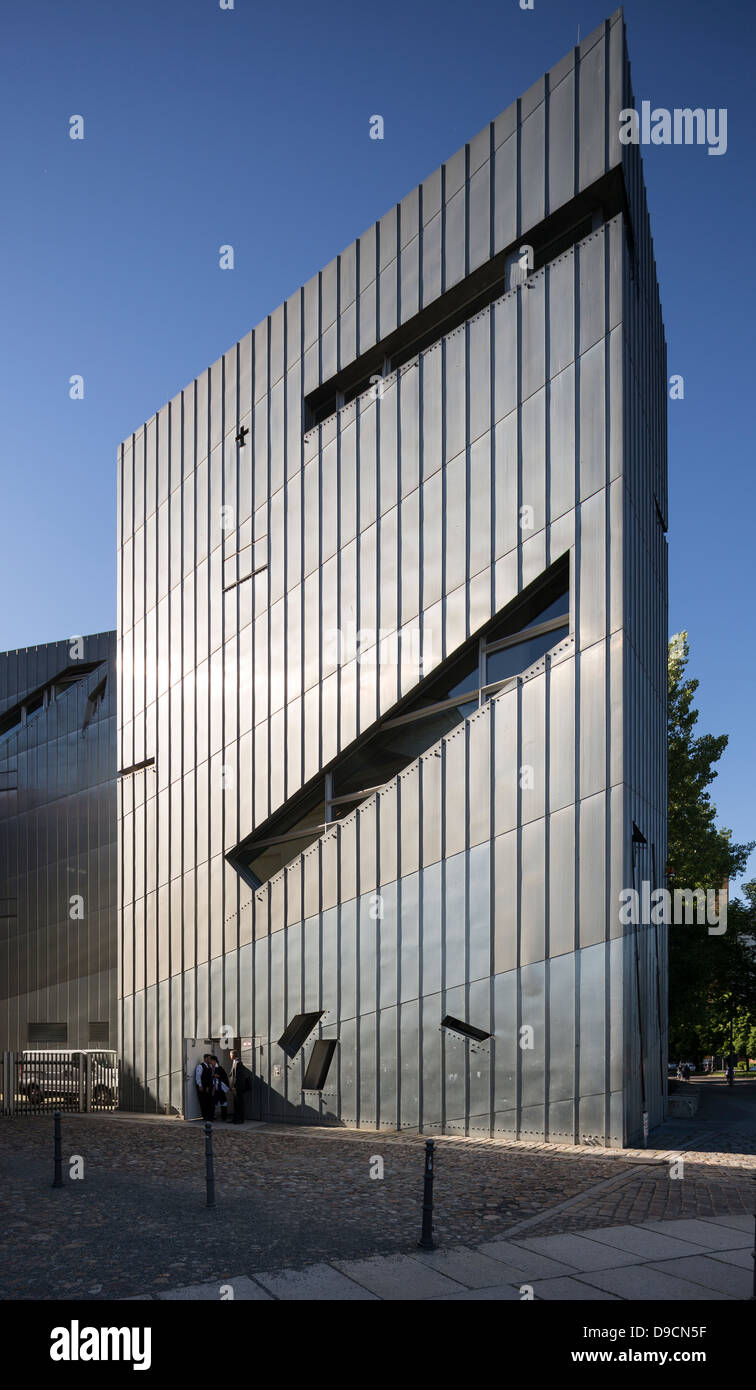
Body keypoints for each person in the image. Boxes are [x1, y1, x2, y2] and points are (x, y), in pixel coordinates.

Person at [230, 1049, 249, 1125]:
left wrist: (234, 1086)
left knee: (239, 1103)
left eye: (230, 1055)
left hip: (238, 1087)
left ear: (233, 1055)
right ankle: (235, 1118)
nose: (230, 1056)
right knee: (236, 1103)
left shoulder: (238, 1063)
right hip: (235, 1087)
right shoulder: (234, 1062)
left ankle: (240, 1119)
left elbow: (238, 1077)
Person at [194, 1053, 214, 1120]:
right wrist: (200, 1085)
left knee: (209, 1101)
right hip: (203, 1087)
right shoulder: (200, 1066)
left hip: (209, 1087)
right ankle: (205, 1115)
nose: (210, 1060)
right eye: (209, 1059)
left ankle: (209, 1115)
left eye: (210, 1059)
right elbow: (198, 1076)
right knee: (203, 1101)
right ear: (205, 1059)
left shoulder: (209, 1066)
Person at [210, 1055, 230, 1120]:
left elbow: (225, 1077)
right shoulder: (211, 1068)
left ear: (214, 1061)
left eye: (211, 1061)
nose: (210, 1062)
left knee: (222, 1101)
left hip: (220, 1088)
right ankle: (212, 1116)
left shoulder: (219, 1068)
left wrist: (218, 1076)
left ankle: (223, 1117)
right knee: (214, 1101)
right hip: (215, 1088)